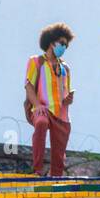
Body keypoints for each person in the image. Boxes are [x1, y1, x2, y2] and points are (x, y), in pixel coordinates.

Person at [25, 23, 74, 177]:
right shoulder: (36, 62)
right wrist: (37, 105)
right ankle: (37, 170)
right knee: (41, 123)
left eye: (66, 45)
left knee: (59, 154)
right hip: (43, 109)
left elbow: (65, 92)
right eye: (62, 43)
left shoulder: (65, 68)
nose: (64, 47)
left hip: (61, 113)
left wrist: (69, 99)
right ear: (51, 43)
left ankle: (55, 180)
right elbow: (28, 86)